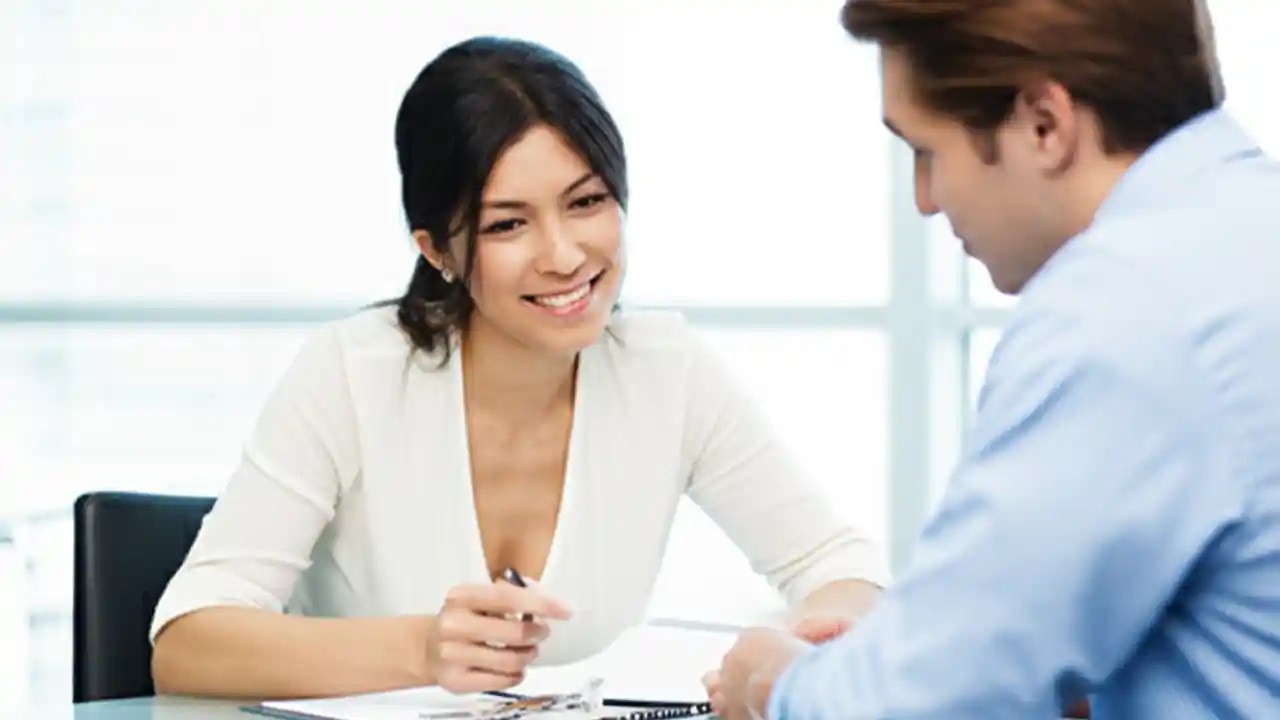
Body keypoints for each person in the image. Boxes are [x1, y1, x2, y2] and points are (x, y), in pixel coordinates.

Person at [148, 36, 887, 700]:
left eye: (587, 202)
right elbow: (187, 643)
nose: (565, 255)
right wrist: (423, 647)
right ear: (437, 250)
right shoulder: (351, 373)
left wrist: (816, 644)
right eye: (508, 223)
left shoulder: (669, 373)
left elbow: (837, 565)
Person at [708, 0, 1280, 718]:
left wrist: (774, 681)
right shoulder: (1247, 230)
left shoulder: (1126, 307)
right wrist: (939, 642)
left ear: (1044, 124)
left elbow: (920, 707)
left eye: (925, 150)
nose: (924, 200)